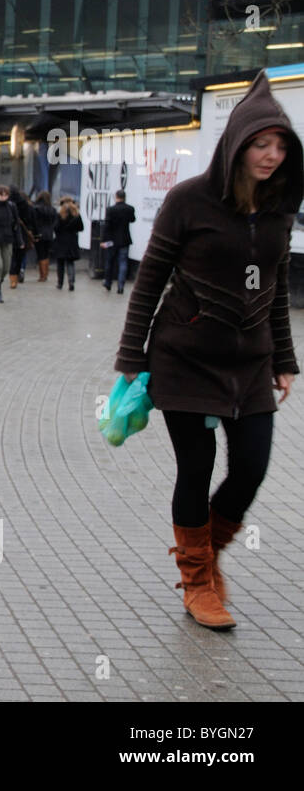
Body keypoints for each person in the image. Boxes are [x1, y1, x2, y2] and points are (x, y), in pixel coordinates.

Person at [115, 71, 301, 631]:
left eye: (280, 146)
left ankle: (206, 555)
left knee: (251, 469)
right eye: (261, 144)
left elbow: (275, 289)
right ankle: (197, 582)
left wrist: (285, 360)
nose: (271, 156)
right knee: (195, 470)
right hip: (186, 361)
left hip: (250, 365)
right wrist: (130, 358)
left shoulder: (278, 208)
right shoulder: (188, 200)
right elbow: (150, 280)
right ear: (238, 145)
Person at [102, 188, 136, 294]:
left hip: (111, 240)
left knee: (109, 261)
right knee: (123, 262)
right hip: (124, 239)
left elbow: (106, 226)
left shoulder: (110, 210)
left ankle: (108, 283)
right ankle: (121, 286)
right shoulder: (130, 209)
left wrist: (103, 240)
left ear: (116, 197)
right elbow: (132, 219)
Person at [51, 196, 83, 290]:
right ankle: (71, 282)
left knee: (60, 263)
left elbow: (55, 227)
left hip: (61, 241)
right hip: (72, 241)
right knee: (70, 262)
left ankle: (60, 283)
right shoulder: (76, 214)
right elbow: (81, 228)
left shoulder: (60, 214)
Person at [31, 190, 57, 282]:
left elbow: (34, 222)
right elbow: (55, 222)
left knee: (40, 254)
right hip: (49, 234)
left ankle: (42, 275)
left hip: (39, 233)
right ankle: (45, 274)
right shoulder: (52, 209)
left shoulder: (36, 208)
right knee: (46, 254)